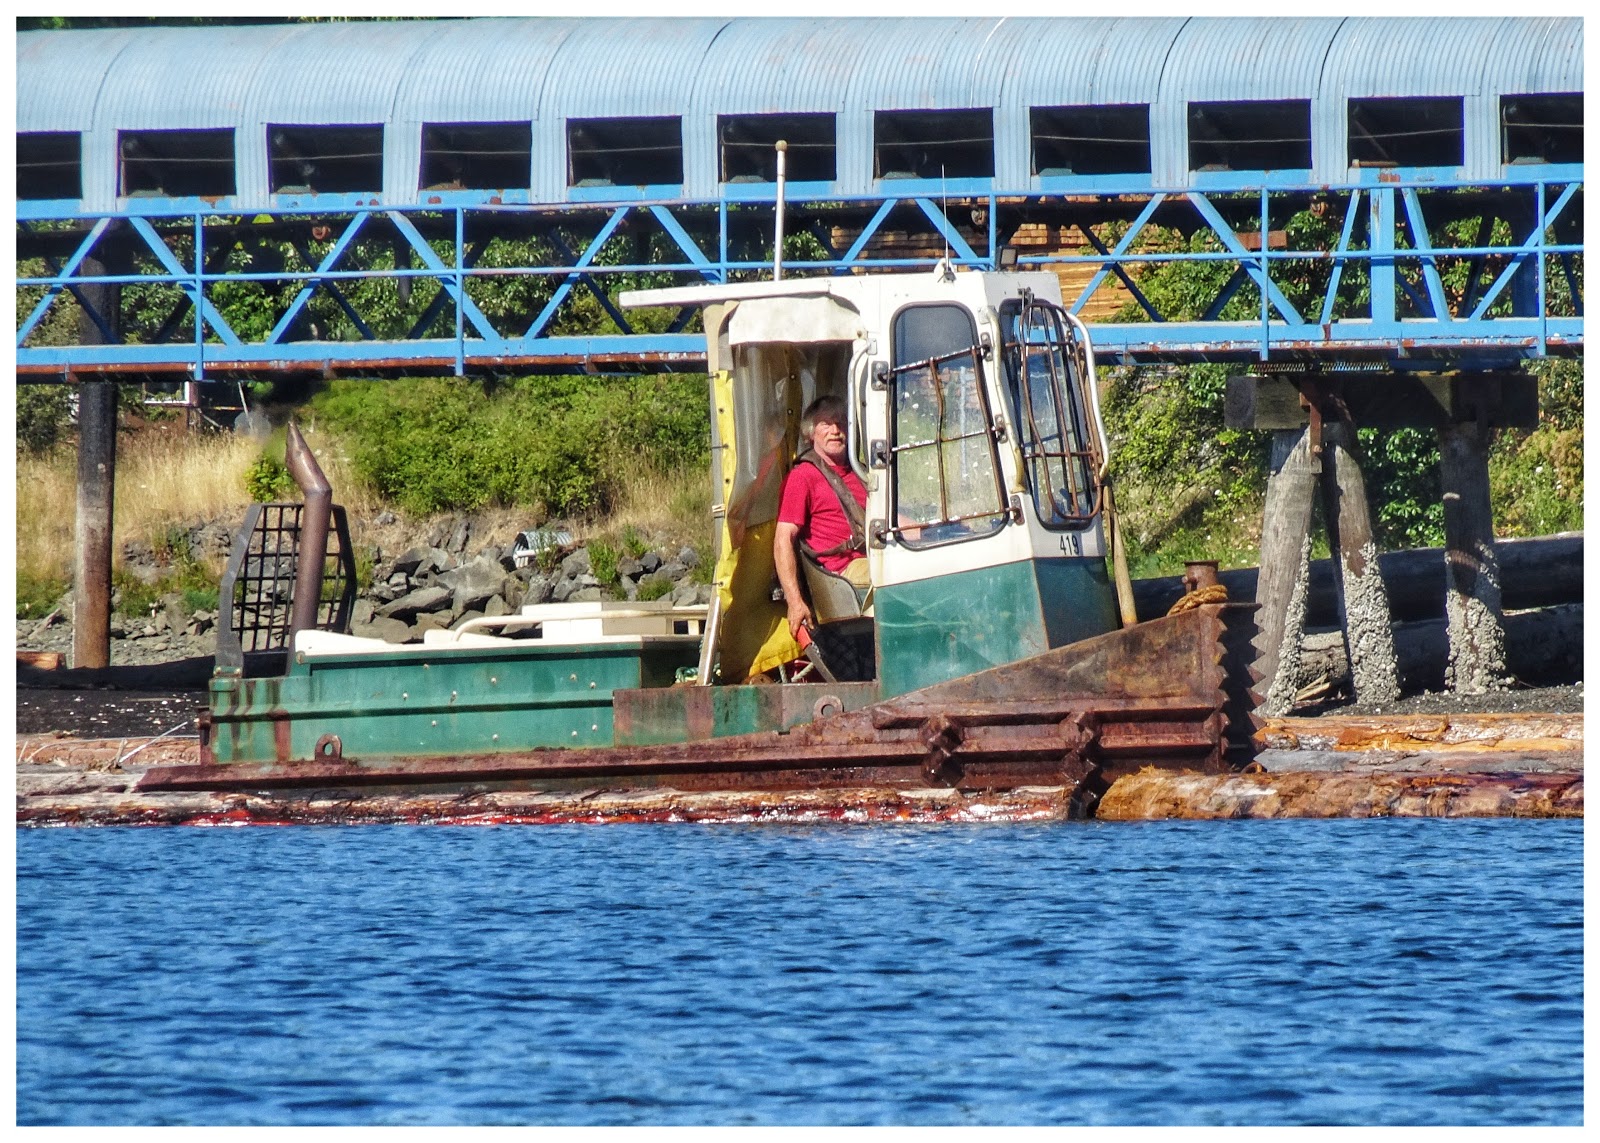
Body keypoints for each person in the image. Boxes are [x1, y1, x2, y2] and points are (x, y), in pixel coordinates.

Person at [774, 395, 869, 638]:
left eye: (841, 423)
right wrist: (795, 602)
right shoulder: (802, 477)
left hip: (873, 559)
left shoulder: (860, 473)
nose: (835, 431)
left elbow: (896, 520)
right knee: (899, 571)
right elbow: (783, 539)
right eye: (826, 424)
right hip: (842, 574)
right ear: (810, 434)